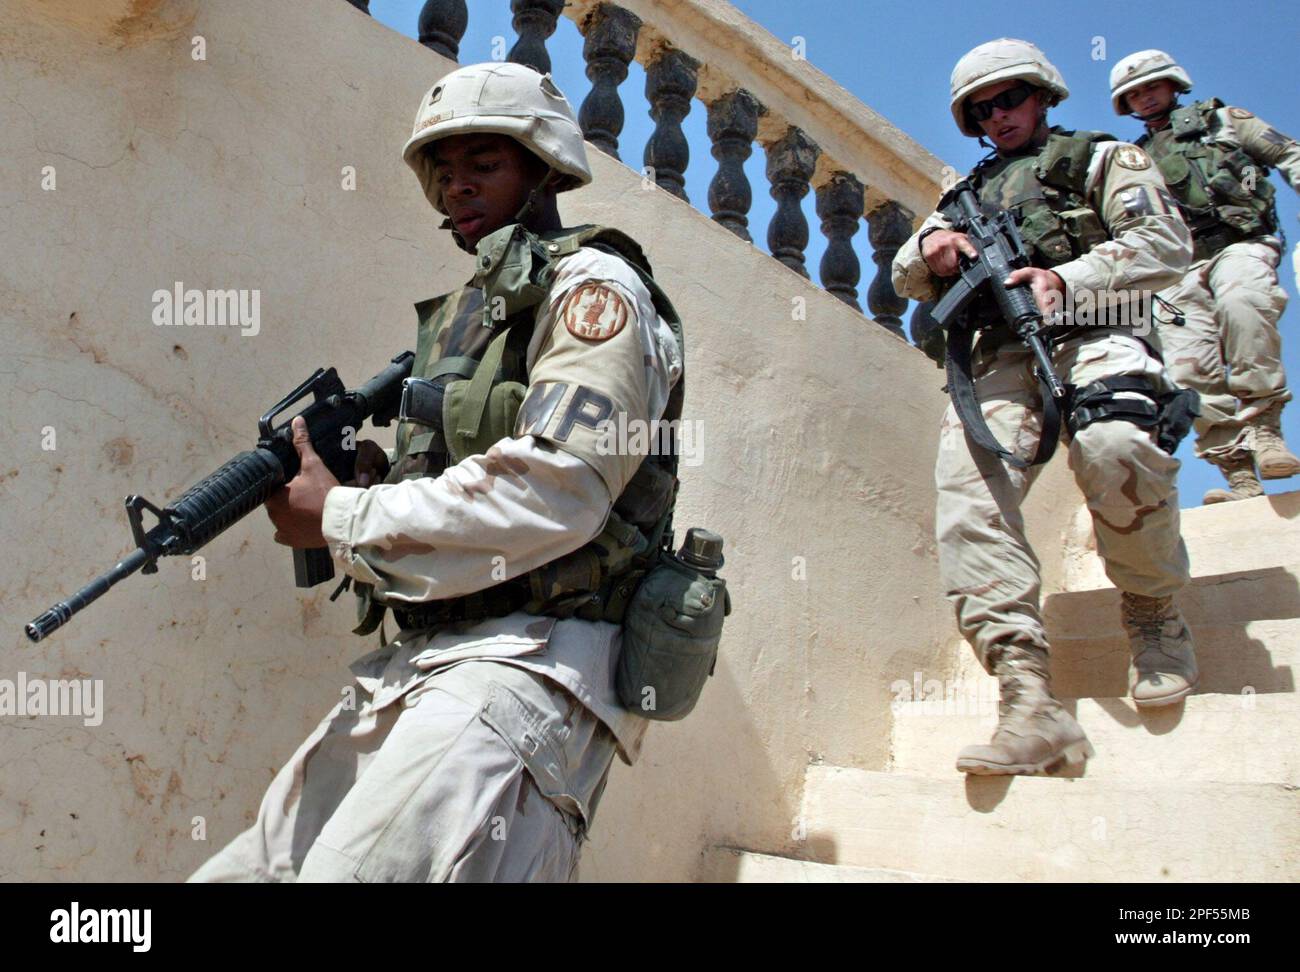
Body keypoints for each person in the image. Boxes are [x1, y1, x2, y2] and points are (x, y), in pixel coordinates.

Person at [189, 62, 685, 881]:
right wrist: (368, 488)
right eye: (444, 173)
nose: (457, 188)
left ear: (545, 166)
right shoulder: (476, 312)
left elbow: (560, 486)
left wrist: (342, 519)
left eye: (483, 166)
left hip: (530, 670)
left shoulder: (595, 289)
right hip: (423, 662)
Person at [892, 39, 1197, 775]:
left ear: (1041, 96)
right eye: (983, 109)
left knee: (1115, 448)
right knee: (969, 500)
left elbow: (1165, 242)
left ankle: (1154, 617)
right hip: (1000, 357)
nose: (999, 117)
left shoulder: (1100, 160)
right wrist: (933, 247)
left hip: (1098, 328)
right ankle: (1026, 696)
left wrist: (1068, 277)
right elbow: (906, 276)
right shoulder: (963, 196)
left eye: (1011, 100)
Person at [1110, 49, 1300, 503]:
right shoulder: (1132, 158)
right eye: (1134, 95)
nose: (1145, 98)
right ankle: (1238, 475)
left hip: (1241, 242)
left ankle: (1265, 429)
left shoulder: (1225, 121)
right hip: (1179, 266)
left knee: (1243, 305)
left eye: (1151, 87)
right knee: (1187, 366)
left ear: (1174, 84)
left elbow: (1289, 154)